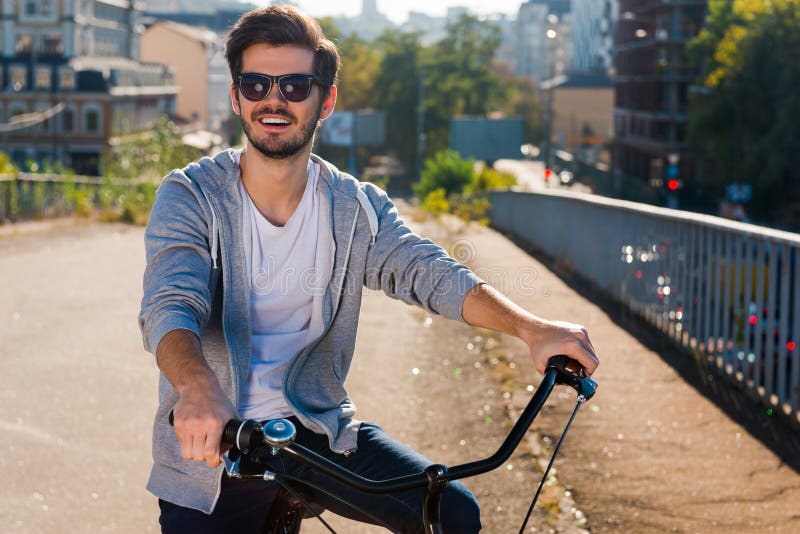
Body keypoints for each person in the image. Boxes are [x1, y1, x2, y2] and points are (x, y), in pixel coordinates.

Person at [138, 6, 598, 533]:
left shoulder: (354, 208)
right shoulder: (191, 196)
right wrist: (197, 388)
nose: (273, 99)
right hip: (216, 446)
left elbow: (426, 270)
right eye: (256, 83)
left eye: (294, 86)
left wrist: (531, 328)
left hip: (313, 433)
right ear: (236, 95)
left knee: (449, 513)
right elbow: (170, 303)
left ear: (325, 99)